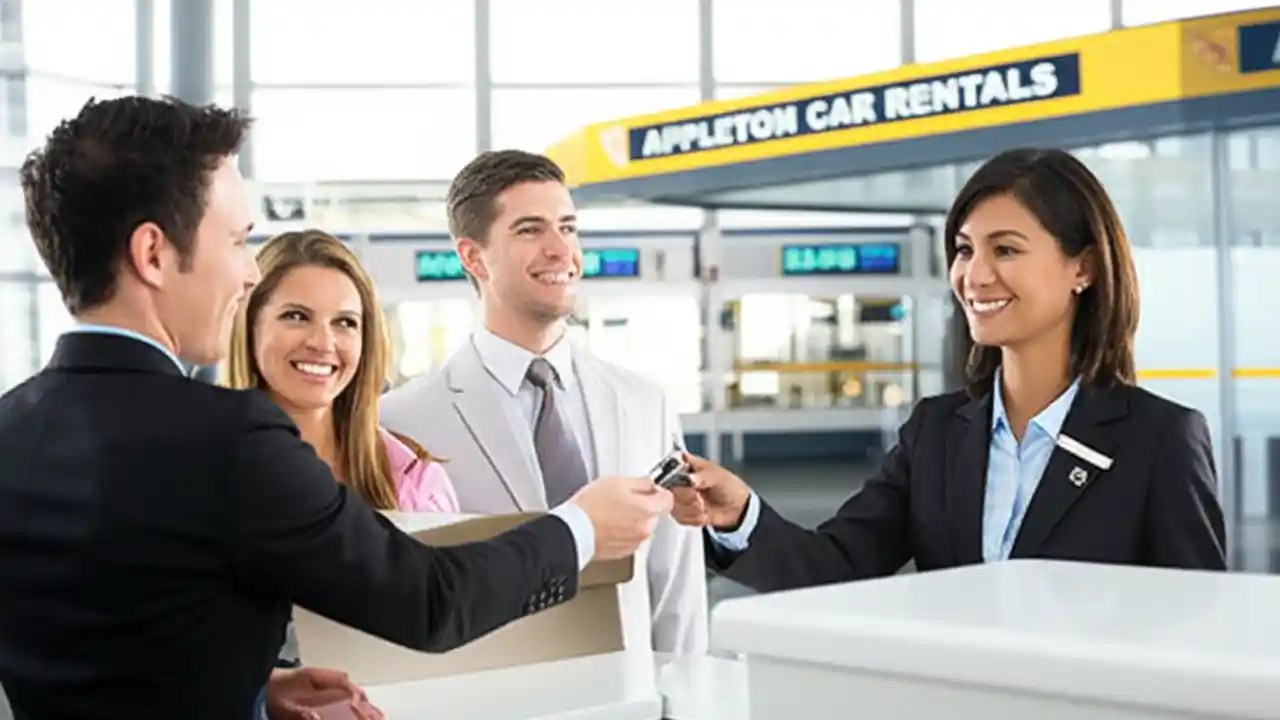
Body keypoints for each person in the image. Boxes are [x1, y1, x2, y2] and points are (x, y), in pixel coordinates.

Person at [0, 96, 672, 720]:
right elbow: (429, 601)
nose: (248, 272)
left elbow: (112, 641)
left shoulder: (12, 426)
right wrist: (581, 528)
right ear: (152, 253)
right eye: (236, 241)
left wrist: (249, 691)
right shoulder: (228, 438)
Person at [670, 147, 1227, 593]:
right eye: (964, 250)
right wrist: (740, 513)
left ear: (1082, 266)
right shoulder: (936, 434)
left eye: (1005, 250)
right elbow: (834, 569)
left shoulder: (1159, 441)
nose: (975, 275)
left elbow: (1197, 634)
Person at [381, 149, 709, 655]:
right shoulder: (402, 422)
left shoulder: (646, 403)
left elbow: (675, 592)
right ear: (473, 256)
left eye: (569, 227)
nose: (561, 250)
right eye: (530, 230)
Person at [226, 229, 458, 513]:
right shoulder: (195, 470)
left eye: (345, 322)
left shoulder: (416, 485)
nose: (323, 343)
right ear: (249, 326)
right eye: (296, 317)